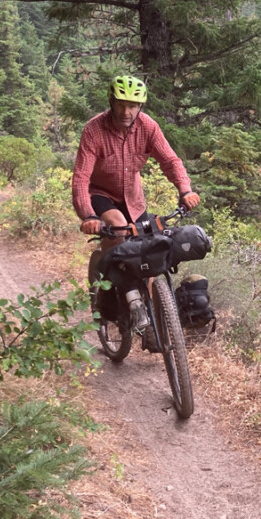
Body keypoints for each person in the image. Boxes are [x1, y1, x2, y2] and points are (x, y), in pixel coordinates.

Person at [72, 74, 200, 344]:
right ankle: (113, 301)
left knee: (150, 257)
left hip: (134, 199)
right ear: (111, 102)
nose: (126, 111)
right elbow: (81, 178)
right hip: (101, 196)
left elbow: (170, 161)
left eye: (133, 105)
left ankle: (152, 324)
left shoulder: (148, 127)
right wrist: (88, 215)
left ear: (140, 106)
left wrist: (185, 189)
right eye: (121, 104)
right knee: (118, 229)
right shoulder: (94, 130)